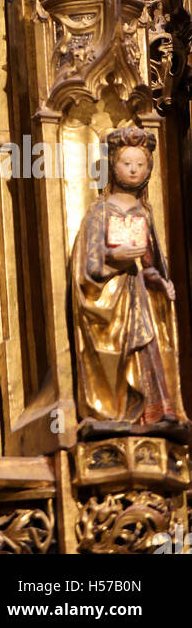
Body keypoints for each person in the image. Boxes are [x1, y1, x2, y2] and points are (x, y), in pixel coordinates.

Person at [71, 126, 188, 436]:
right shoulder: (100, 212)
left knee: (147, 347)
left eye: (141, 164)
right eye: (127, 163)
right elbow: (90, 265)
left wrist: (161, 283)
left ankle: (154, 412)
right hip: (110, 298)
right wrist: (118, 255)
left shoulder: (144, 213)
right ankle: (117, 411)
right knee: (119, 355)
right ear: (114, 165)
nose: (134, 169)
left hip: (138, 297)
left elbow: (151, 265)